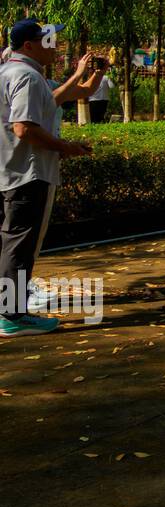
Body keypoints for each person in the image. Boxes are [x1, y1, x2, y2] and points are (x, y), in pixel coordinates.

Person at [0, 19, 100, 337]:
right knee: (19, 245)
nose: (53, 46)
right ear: (28, 45)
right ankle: (11, 315)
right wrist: (65, 147)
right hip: (27, 173)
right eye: (46, 40)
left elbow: (56, 98)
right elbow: (24, 128)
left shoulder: (14, 73)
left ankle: (8, 310)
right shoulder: (26, 76)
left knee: (11, 242)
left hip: (12, 171)